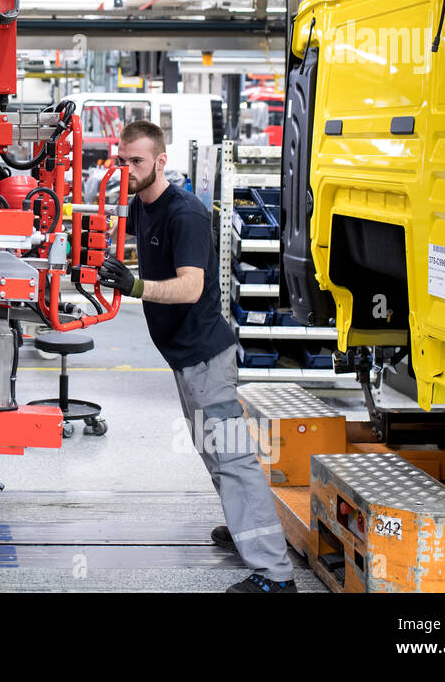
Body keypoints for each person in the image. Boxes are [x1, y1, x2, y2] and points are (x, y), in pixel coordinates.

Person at [98, 119, 296, 594]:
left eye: (137, 161)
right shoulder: (139, 205)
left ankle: (275, 575)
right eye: (122, 161)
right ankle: (246, 526)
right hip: (184, 357)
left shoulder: (183, 213)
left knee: (232, 458)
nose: (128, 169)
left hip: (207, 358)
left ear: (160, 161)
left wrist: (135, 287)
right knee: (214, 453)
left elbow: (191, 286)